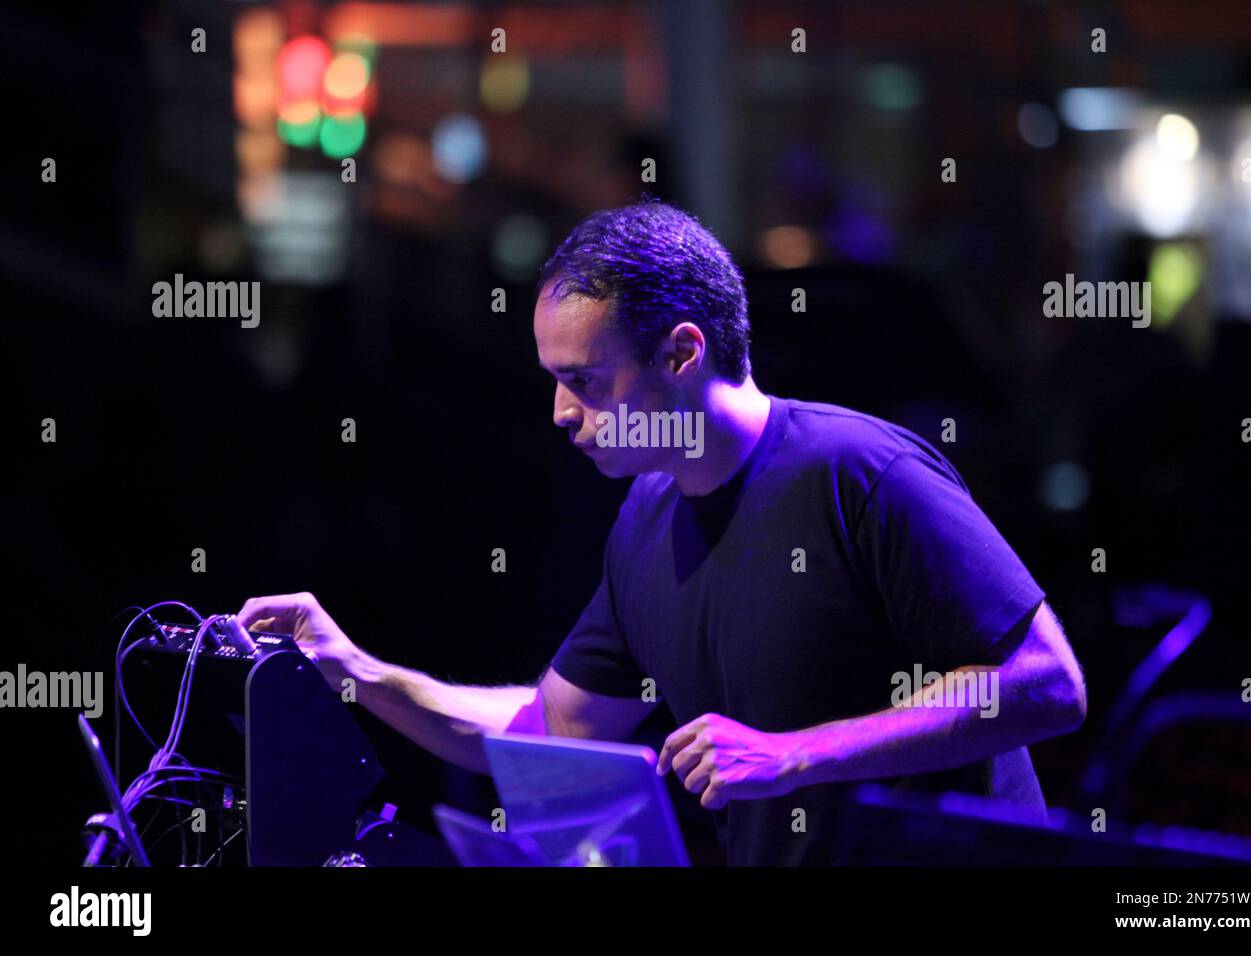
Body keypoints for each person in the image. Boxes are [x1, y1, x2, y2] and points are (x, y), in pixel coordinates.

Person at [238, 199, 1087, 866]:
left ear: (684, 353)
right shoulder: (646, 516)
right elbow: (550, 734)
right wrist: (358, 672)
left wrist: (793, 757)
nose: (562, 414)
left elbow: (1048, 682)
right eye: (554, 381)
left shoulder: (860, 472)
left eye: (587, 380)